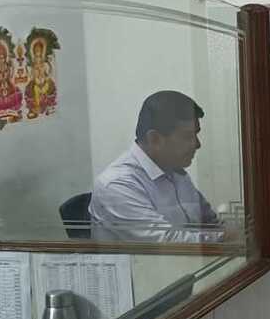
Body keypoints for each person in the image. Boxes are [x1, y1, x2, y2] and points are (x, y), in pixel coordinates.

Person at [90, 90, 224, 243]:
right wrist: (224, 238)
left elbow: (212, 223)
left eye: (196, 134)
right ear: (154, 139)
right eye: (188, 136)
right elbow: (166, 243)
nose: (197, 144)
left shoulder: (177, 173)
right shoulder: (116, 184)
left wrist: (232, 233)